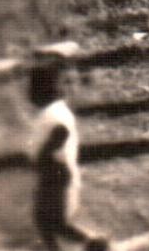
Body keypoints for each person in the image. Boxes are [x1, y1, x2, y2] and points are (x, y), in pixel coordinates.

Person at [27, 63, 103, 251]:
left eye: (33, 88)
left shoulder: (55, 113)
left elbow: (61, 132)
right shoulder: (51, 111)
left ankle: (96, 244)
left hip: (56, 171)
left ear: (46, 90)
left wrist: (44, 154)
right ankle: (87, 244)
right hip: (51, 171)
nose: (30, 94)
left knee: (53, 221)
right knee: (44, 220)